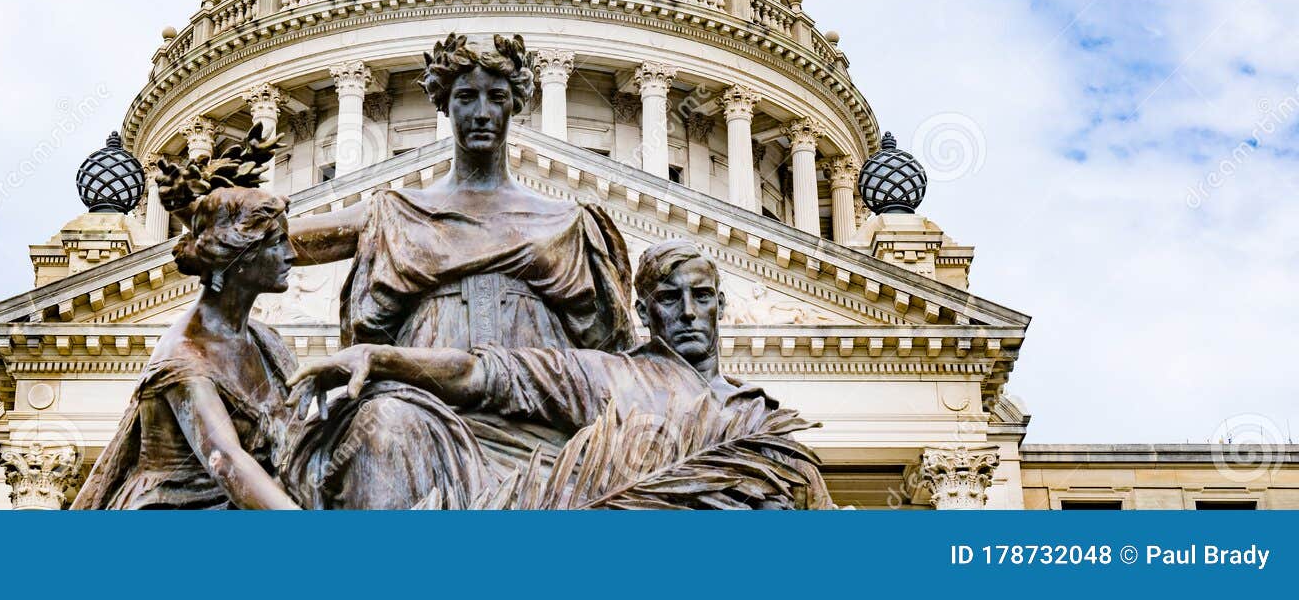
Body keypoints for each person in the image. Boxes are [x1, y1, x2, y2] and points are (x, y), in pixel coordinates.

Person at [282, 34, 635, 508]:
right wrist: (222, 220)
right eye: (466, 97)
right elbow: (279, 242)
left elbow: (616, 363)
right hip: (415, 409)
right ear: (443, 105)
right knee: (383, 430)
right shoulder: (398, 213)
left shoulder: (568, 224)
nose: (483, 113)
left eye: (497, 98)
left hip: (538, 419)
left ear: (517, 106)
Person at [287, 239, 835, 509]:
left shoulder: (762, 418)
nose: (688, 313)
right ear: (644, 314)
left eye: (701, 298)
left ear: (722, 306)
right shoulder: (610, 376)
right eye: (670, 299)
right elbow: (487, 373)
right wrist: (379, 357)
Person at [73, 134, 301, 510]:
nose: (293, 254)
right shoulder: (184, 358)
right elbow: (227, 461)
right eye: (278, 243)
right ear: (239, 256)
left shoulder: (265, 340)